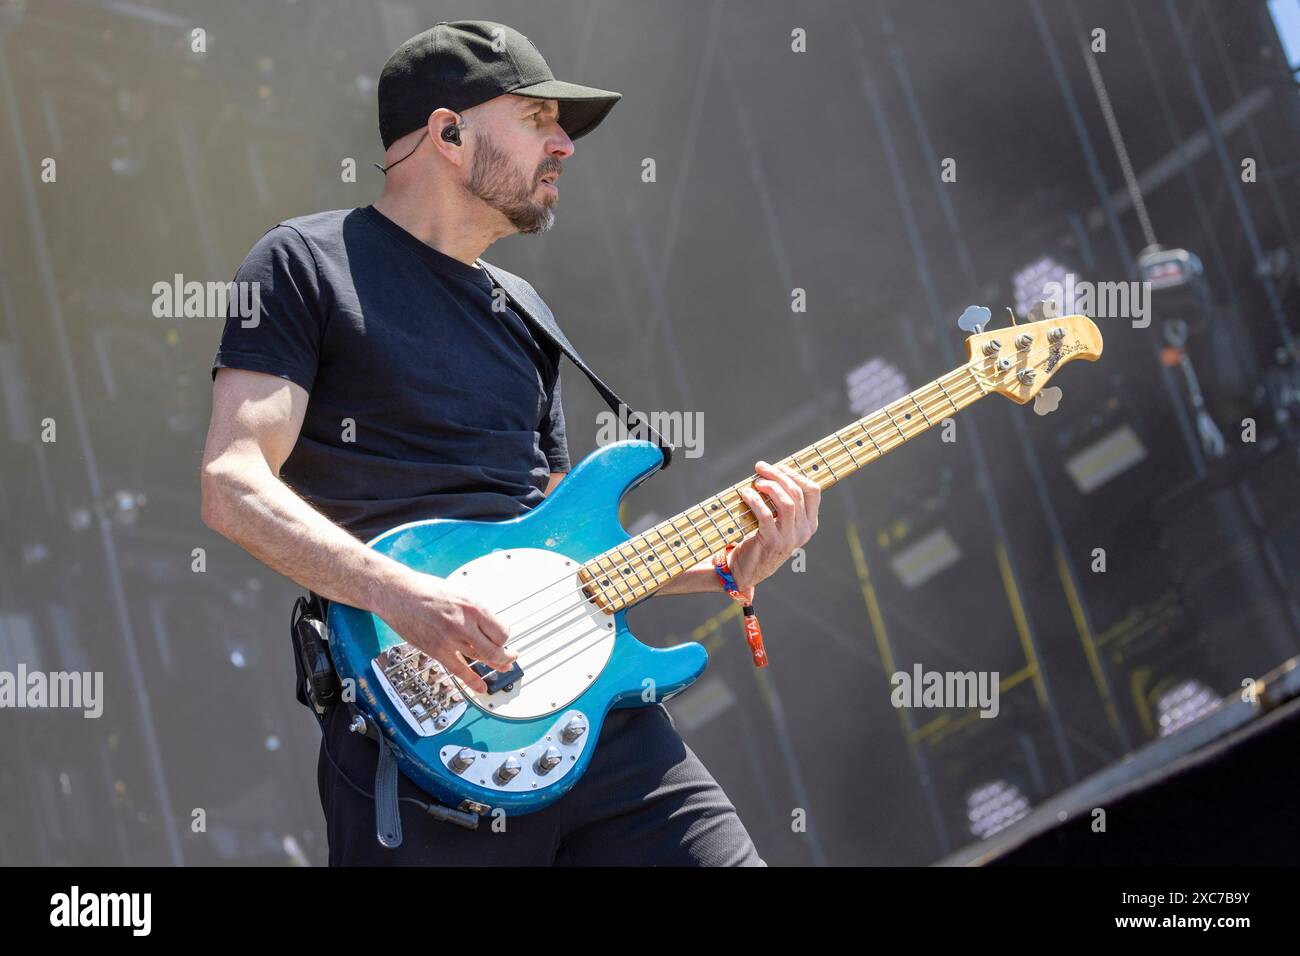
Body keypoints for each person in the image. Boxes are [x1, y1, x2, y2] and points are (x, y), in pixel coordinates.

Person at [199, 19, 821, 866]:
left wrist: (729, 564)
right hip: (420, 733)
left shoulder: (523, 309)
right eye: (537, 118)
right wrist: (406, 598)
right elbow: (232, 485)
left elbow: (571, 553)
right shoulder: (304, 264)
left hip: (593, 720)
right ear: (448, 134)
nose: (564, 143)